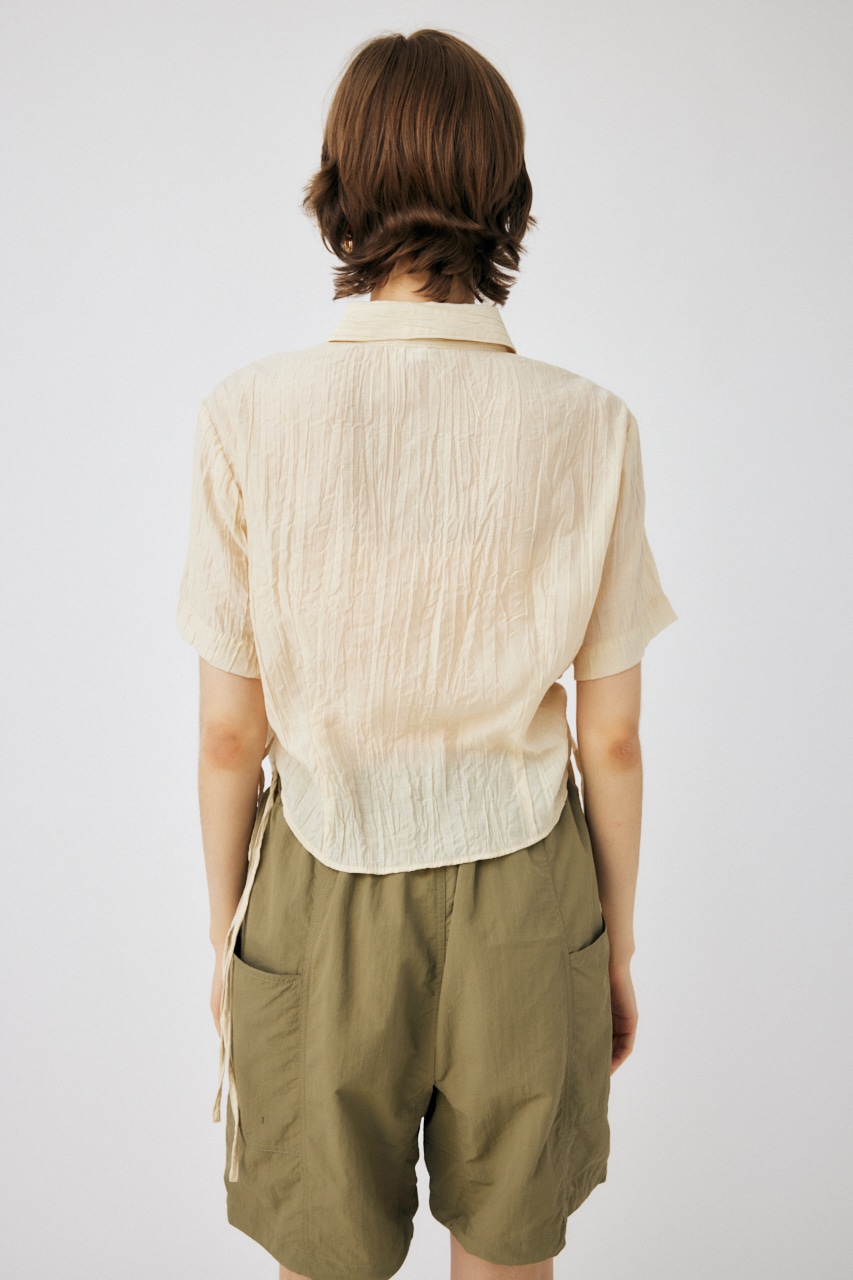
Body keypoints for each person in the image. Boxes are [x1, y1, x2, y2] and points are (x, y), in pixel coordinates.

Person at [175, 27, 677, 1280]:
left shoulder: (246, 417)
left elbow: (231, 733)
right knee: (509, 1258)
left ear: (339, 185)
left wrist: (225, 935)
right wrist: (613, 947)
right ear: (505, 193)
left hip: (318, 883)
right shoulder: (591, 426)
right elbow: (611, 735)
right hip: (527, 889)